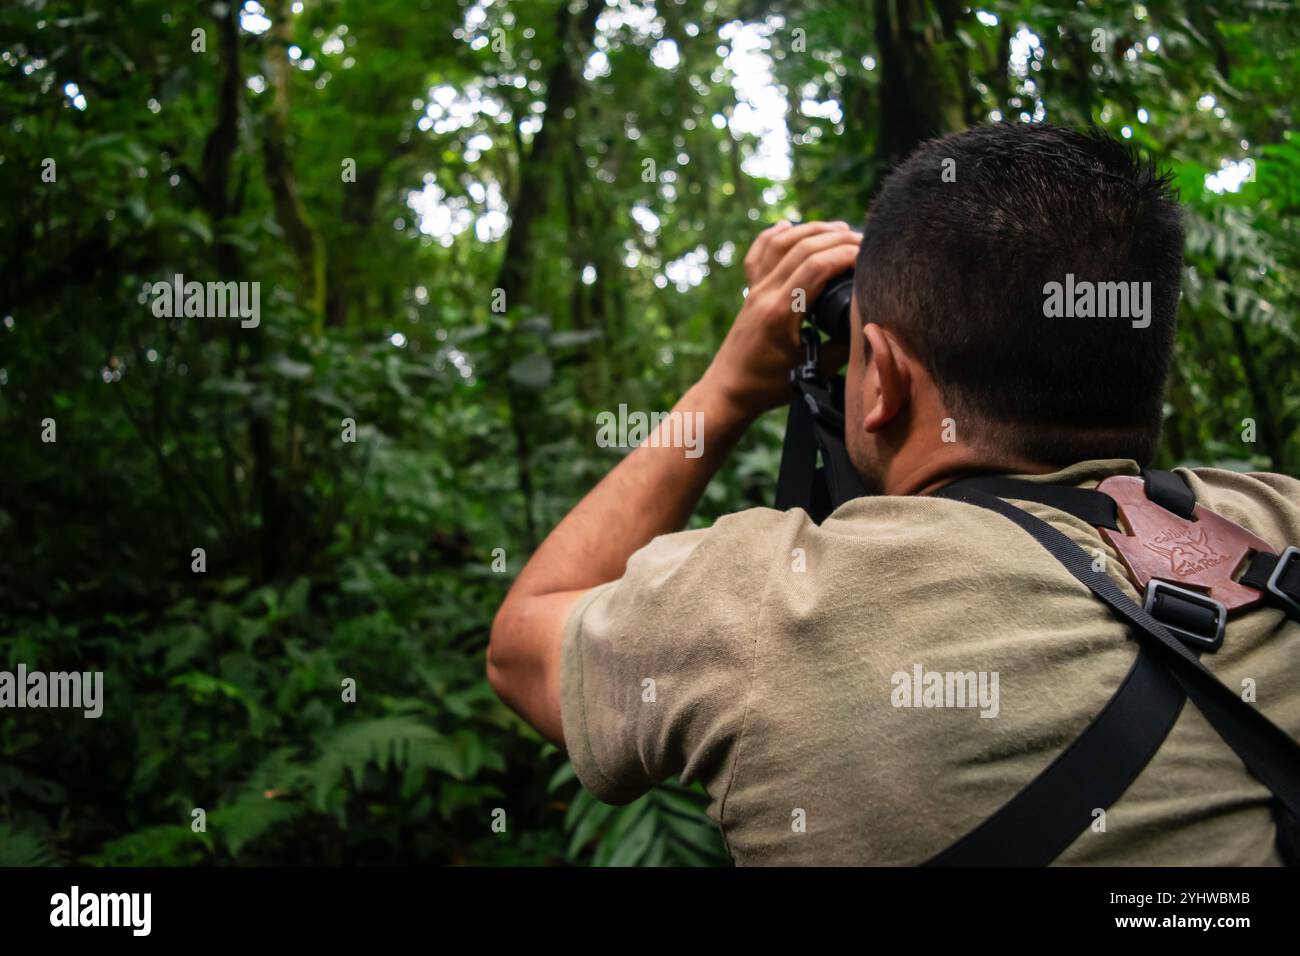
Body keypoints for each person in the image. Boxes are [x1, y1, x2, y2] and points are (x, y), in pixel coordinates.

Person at [486, 123, 1300, 865]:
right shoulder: (1279, 519)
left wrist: (727, 388)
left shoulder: (761, 608)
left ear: (884, 378)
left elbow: (521, 646)